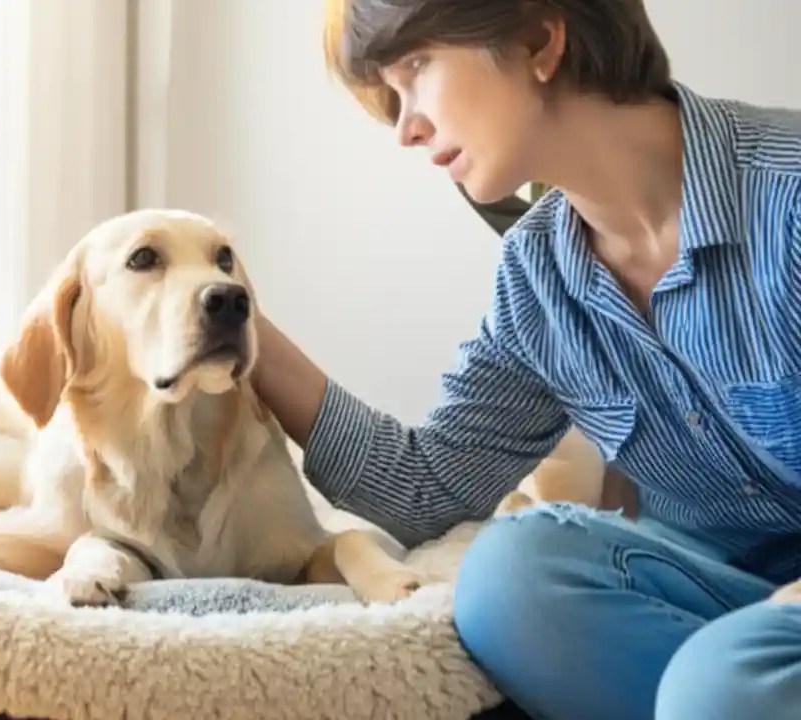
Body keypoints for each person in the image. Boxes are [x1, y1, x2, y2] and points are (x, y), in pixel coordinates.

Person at [251, 0, 801, 718]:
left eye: (417, 68)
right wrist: (237, 326)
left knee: (725, 681)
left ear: (540, 40)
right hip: (728, 603)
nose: (405, 126)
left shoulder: (785, 198)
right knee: (510, 578)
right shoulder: (539, 277)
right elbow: (429, 486)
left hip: (751, 644)